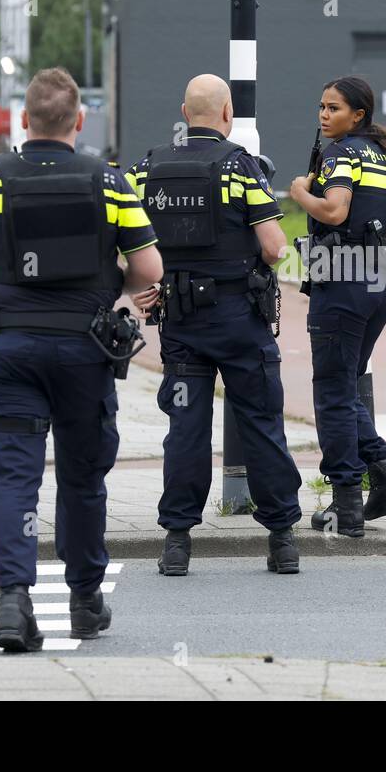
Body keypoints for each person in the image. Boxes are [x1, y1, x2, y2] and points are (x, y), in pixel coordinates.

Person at [0, 67, 163, 651]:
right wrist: (108, 280)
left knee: (15, 476)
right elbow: (149, 271)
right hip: (82, 351)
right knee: (82, 475)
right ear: (78, 120)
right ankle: (84, 601)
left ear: (24, 120)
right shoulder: (110, 182)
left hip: (9, 349)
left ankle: (13, 603)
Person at [125, 74, 303, 575]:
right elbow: (272, 247)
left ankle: (177, 543)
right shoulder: (240, 166)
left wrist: (147, 284)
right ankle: (282, 540)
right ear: (227, 114)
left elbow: (129, 242)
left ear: (185, 112)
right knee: (261, 422)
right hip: (239, 321)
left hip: (179, 321)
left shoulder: (148, 167)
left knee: (186, 429)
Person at [287, 76, 386, 536]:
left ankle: (348, 506)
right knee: (346, 387)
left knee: (333, 394)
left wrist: (298, 193)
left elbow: (333, 211)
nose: (323, 114)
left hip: (342, 285)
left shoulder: (341, 153)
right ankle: (385, 484)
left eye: (333, 108)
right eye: (321, 106)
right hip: (379, 285)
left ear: (358, 115)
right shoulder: (379, 155)